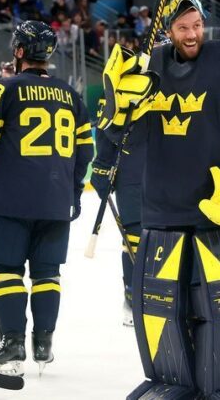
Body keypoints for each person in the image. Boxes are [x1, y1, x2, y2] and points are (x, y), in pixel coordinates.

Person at [99, 0, 220, 398]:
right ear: (167, 30)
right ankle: (172, 382)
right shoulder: (149, 67)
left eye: (197, 25)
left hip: (219, 211)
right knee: (164, 311)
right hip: (162, 212)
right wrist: (119, 106)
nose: (192, 34)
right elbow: (123, 137)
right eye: (182, 27)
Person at [0, 20, 93, 376]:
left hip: (11, 199)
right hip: (56, 200)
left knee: (8, 272)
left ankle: (13, 342)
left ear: (19, 51)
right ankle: (43, 343)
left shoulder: (4, 89)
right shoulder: (71, 95)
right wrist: (72, 193)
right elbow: (86, 151)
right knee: (47, 273)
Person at [90, 97, 145, 326]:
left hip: (170, 167)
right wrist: (103, 164)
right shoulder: (118, 75)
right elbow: (106, 124)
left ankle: (166, 296)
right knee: (135, 236)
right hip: (132, 170)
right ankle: (133, 298)